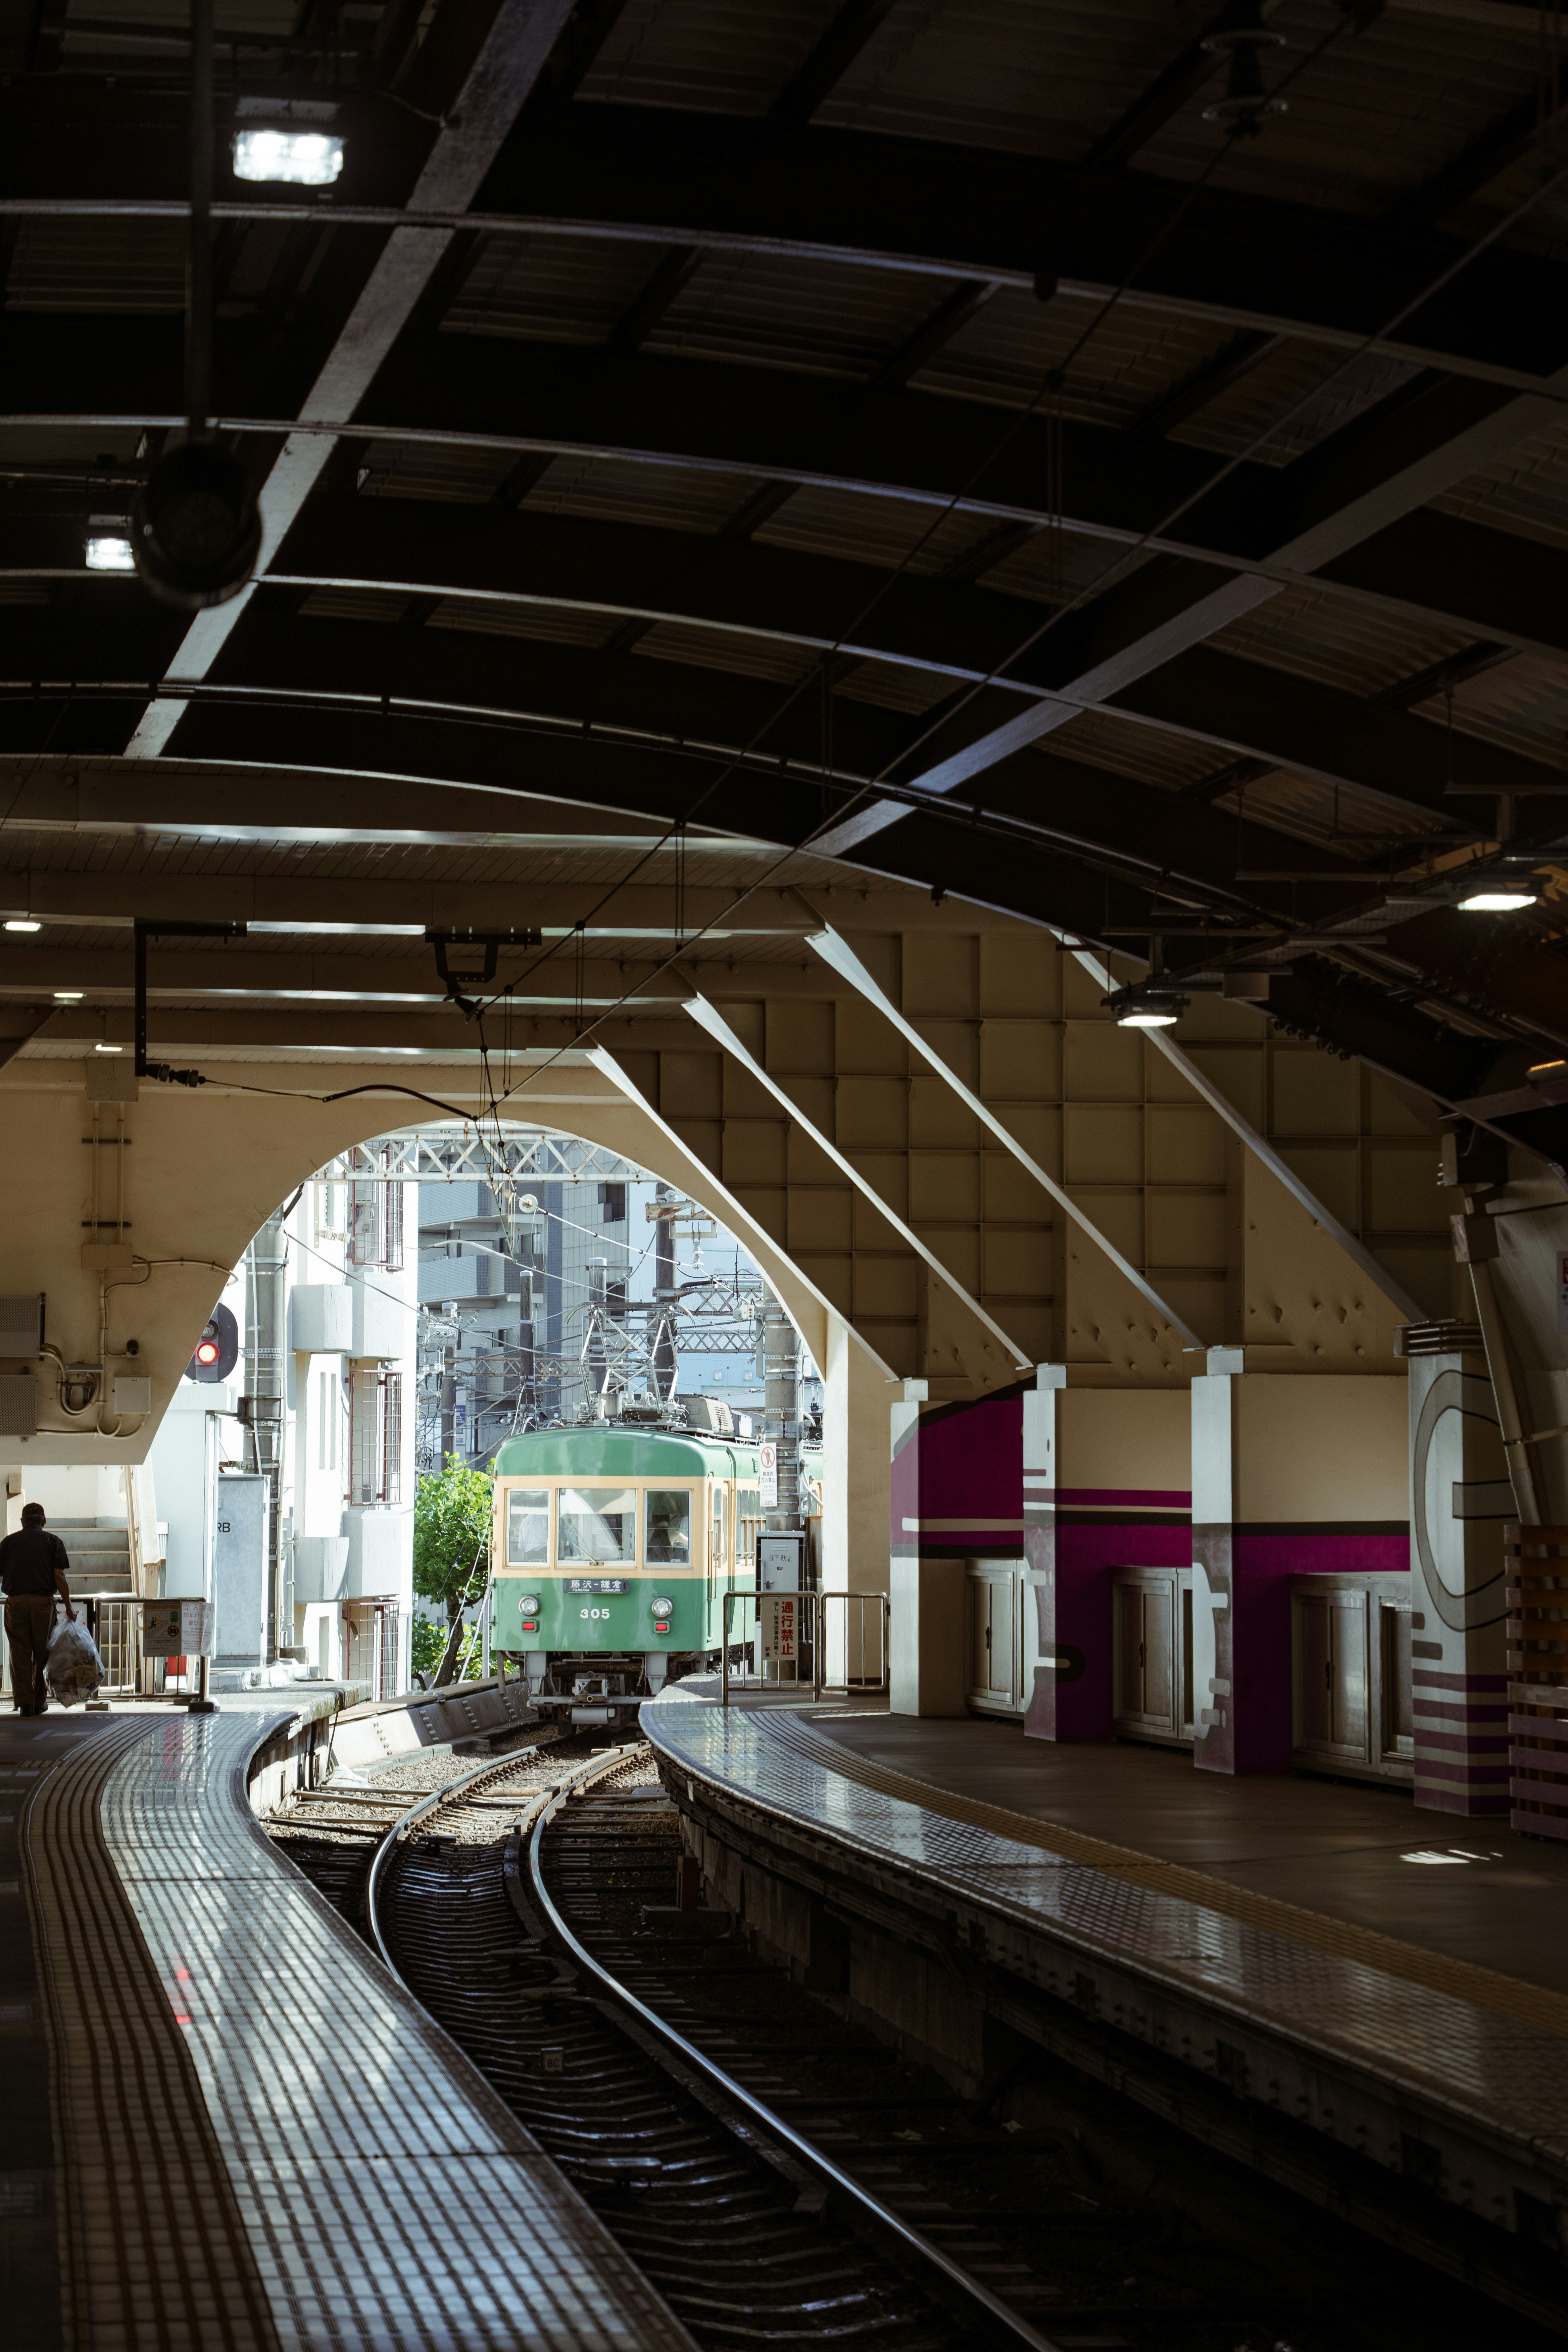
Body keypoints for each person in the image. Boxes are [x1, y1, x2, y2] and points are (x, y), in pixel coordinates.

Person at [1, 1503, 75, 1716]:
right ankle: (38, 1702)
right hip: (43, 1603)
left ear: (23, 1521)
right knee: (42, 1651)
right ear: (44, 1521)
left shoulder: (9, 1543)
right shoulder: (53, 1542)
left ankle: (24, 1704)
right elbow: (59, 1576)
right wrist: (68, 1607)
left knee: (19, 1652)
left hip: (15, 1603)